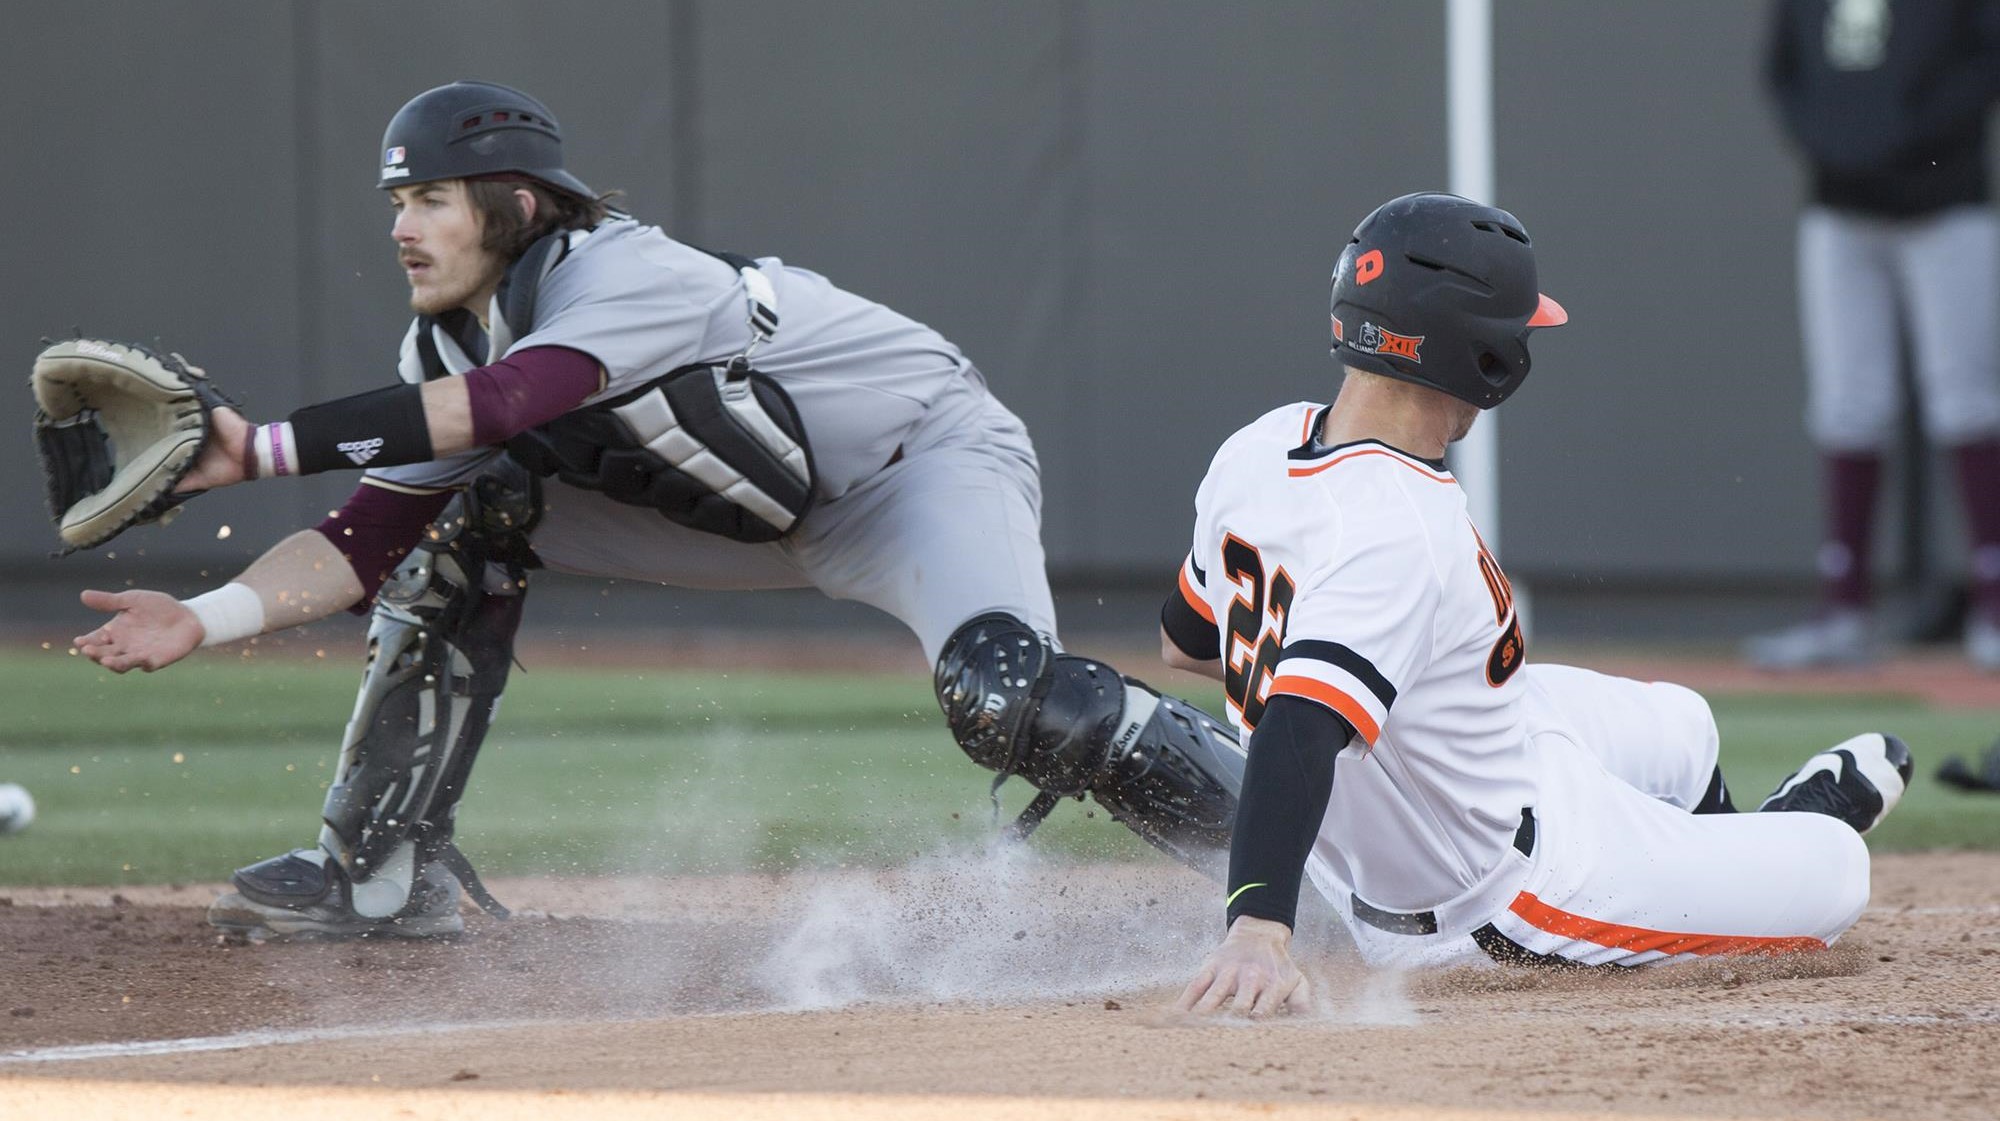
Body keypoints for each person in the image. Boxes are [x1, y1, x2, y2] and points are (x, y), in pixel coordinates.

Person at [69, 80, 1244, 939]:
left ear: (512, 204)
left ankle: (1278, 861)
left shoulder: (621, 271)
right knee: (451, 521)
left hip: (917, 472)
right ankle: (377, 870)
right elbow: (360, 540)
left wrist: (258, 447)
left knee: (1015, 698)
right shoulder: (446, 345)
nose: (401, 227)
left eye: (428, 198)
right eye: (396, 200)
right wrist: (204, 616)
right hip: (722, 505)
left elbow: (513, 400)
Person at [1164, 193, 1914, 1015]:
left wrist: (1370, 696)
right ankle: (1764, 848)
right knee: (1840, 867)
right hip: (1500, 895)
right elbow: (1297, 728)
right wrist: (1258, 928)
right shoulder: (1396, 525)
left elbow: (1189, 642)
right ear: (1479, 349)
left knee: (1684, 727)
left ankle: (1714, 857)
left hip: (1504, 754)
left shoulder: (1260, 445)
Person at [1749, 0, 2000, 669]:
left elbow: (1984, 64)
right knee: (1847, 402)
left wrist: (1902, 140)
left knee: (1967, 400)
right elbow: (1783, 73)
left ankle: (1993, 608)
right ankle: (1843, 611)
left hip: (1947, 205)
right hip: (1840, 206)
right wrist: (1838, 146)